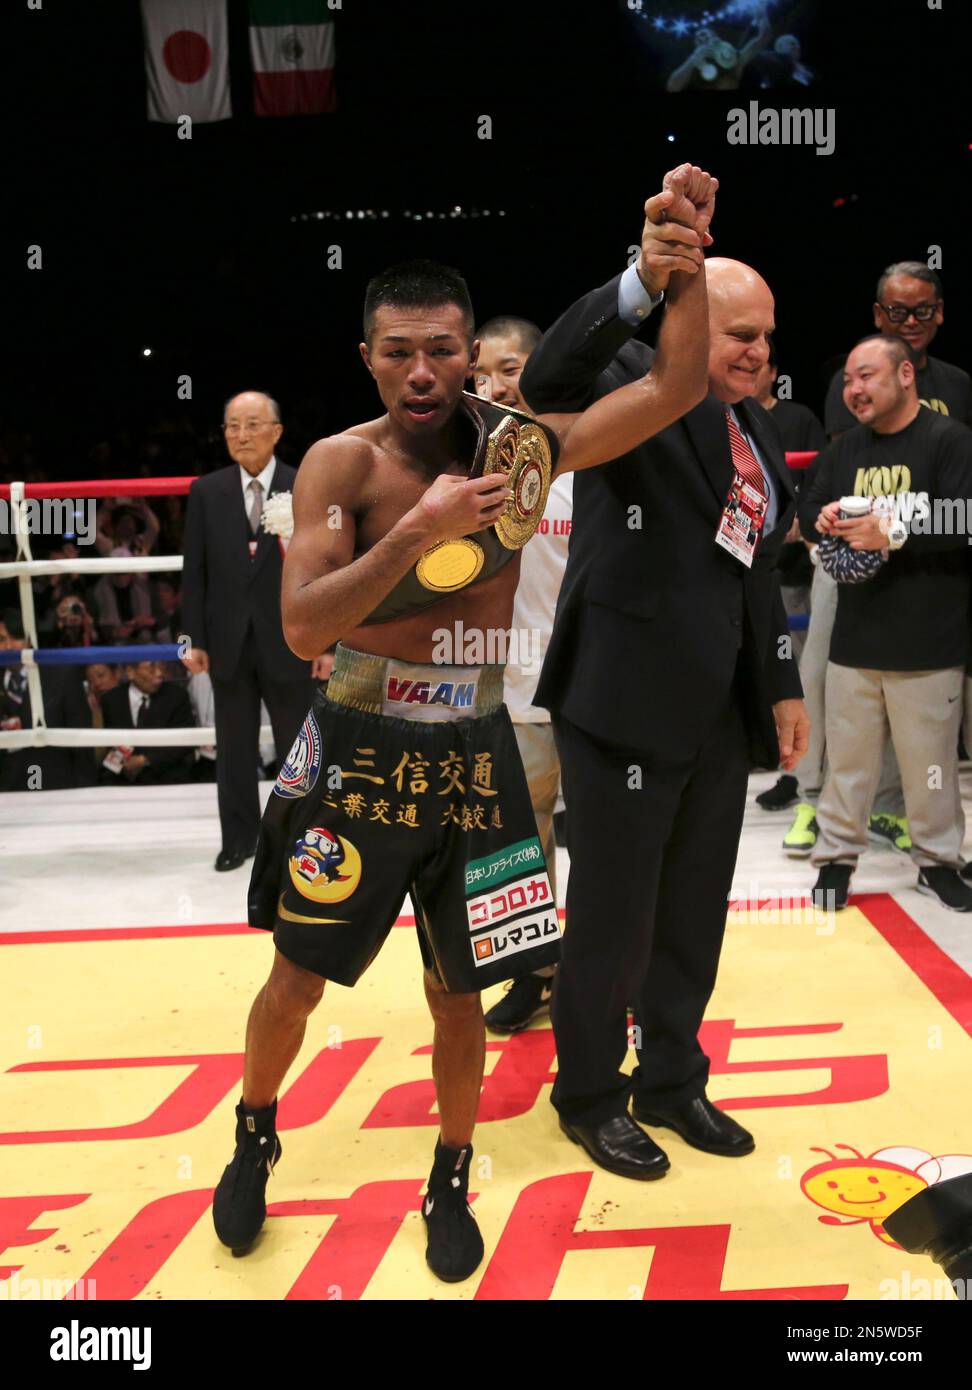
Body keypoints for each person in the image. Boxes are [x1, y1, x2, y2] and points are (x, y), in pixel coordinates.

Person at [213, 164, 716, 1284]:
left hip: (479, 748)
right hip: (356, 745)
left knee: (459, 990)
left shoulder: (518, 445)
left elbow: (677, 391)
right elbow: (302, 628)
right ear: (367, 357)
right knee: (298, 974)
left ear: (468, 345)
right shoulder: (342, 464)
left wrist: (675, 258)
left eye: (444, 346)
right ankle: (253, 1131)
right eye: (399, 350)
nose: (426, 370)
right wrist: (418, 529)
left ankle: (451, 1170)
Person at [520, 238, 809, 1180]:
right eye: (737, 332)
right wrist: (643, 279)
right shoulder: (635, 377)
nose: (758, 351)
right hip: (618, 700)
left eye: (767, 336)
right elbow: (545, 373)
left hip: (719, 705)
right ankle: (591, 1096)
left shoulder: (756, 426)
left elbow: (757, 565)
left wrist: (779, 680)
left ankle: (674, 1079)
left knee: (692, 909)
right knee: (613, 914)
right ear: (687, 323)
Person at [799, 336, 972, 912]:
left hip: (929, 640)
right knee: (846, 765)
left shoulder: (948, 440)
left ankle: (938, 861)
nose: (854, 390)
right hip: (856, 639)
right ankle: (836, 859)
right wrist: (820, 515)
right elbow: (808, 505)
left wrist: (891, 532)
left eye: (866, 376)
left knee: (930, 770)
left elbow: (965, 515)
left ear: (904, 374)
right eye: (848, 379)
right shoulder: (846, 449)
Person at [473, 316, 574, 1035]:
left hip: (595, 688)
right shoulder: (465, 466)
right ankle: (534, 974)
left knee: (608, 843)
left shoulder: (591, 452)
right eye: (480, 374)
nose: (493, 385)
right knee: (519, 844)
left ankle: (612, 978)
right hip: (509, 687)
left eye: (508, 368)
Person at [180, 392, 319, 871]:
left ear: (277, 431)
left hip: (292, 640)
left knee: (297, 750)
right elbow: (193, 572)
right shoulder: (206, 490)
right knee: (233, 751)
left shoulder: (305, 485)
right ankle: (237, 840)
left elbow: (326, 569)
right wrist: (193, 640)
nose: (241, 435)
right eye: (232, 426)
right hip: (227, 643)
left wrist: (327, 641)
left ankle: (299, 844)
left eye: (252, 424)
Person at [824, 263, 972, 438]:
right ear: (878, 315)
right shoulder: (852, 383)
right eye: (898, 312)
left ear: (939, 311)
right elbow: (845, 458)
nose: (911, 321)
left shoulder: (958, 382)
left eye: (923, 311)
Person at [98, 659, 195, 785]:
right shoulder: (111, 700)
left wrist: (144, 760)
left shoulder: (177, 696)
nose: (159, 673)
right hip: (124, 783)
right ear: (131, 672)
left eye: (162, 667)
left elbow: (184, 743)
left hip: (167, 780)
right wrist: (122, 765)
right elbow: (112, 744)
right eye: (151, 668)